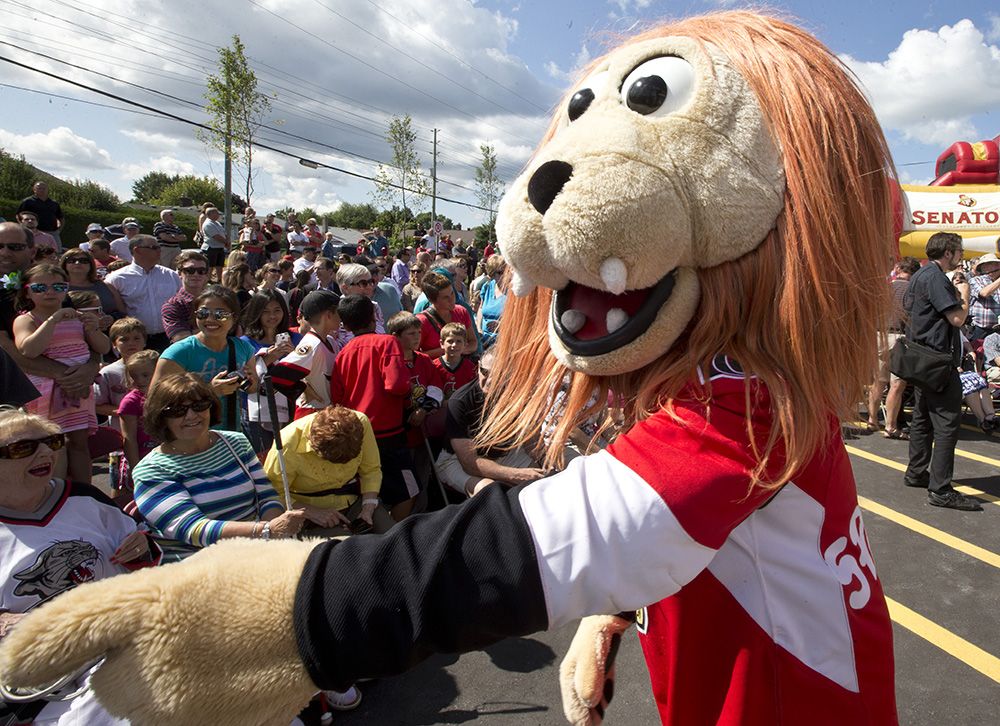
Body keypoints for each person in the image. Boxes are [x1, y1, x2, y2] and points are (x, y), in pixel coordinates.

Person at [0, 408, 157, 726]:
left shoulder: (84, 498)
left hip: (118, 642)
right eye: (23, 448)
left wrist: (141, 548)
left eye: (51, 442)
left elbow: (146, 564)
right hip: (40, 675)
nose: (45, 452)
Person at [132, 373, 331, 561]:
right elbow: (193, 529)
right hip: (195, 565)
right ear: (160, 417)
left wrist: (270, 539)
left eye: (200, 405)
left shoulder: (236, 442)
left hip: (256, 553)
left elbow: (267, 496)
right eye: (177, 411)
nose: (191, 415)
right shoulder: (150, 471)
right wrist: (267, 531)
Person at [902, 232, 982, 510]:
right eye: (958, 251)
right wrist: (965, 294)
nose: (961, 256)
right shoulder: (935, 279)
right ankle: (940, 489)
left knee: (923, 419)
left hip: (921, 358)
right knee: (947, 425)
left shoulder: (920, 275)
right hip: (937, 360)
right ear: (948, 252)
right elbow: (958, 318)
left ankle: (916, 472)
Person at [14, 264, 110, 483]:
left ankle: (85, 492)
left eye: (58, 286)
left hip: (78, 390)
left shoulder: (78, 318)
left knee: (79, 443)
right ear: (27, 291)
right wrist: (53, 320)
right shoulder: (26, 319)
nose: (49, 292)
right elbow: (28, 349)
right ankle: (54, 492)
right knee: (51, 444)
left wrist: (93, 329)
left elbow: (103, 348)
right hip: (45, 393)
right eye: (40, 287)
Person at [329, 295, 416, 521]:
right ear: (373, 316)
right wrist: (411, 393)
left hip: (356, 434)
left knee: (368, 490)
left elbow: (337, 397)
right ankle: (395, 533)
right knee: (406, 491)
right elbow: (396, 384)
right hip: (389, 433)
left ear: (345, 324)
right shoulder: (387, 342)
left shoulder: (343, 353)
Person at [264, 405, 393, 535]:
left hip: (354, 502)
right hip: (307, 513)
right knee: (345, 546)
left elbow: (371, 470)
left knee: (393, 537)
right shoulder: (286, 444)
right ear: (315, 445)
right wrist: (311, 512)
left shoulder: (361, 423)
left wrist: (368, 507)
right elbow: (271, 494)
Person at [434, 348, 546, 497]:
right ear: (478, 366)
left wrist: (546, 462)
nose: (490, 380)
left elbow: (531, 441)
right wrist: (516, 475)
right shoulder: (460, 401)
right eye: (485, 372)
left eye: (499, 374)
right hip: (456, 460)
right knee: (491, 492)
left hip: (502, 454)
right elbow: (469, 463)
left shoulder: (517, 395)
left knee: (545, 481)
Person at [152, 286, 256, 433]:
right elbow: (154, 402)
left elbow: (253, 388)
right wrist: (209, 392)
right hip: (188, 437)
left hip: (230, 436)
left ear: (235, 317)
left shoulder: (243, 348)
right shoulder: (179, 353)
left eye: (220, 314)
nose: (211, 319)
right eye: (203, 313)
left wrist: (249, 381)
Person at [239, 291, 299, 454]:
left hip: (290, 407)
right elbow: (243, 379)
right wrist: (268, 358)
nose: (272, 316)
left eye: (277, 310)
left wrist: (295, 356)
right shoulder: (245, 343)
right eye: (265, 311)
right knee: (264, 457)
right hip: (256, 412)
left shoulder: (296, 339)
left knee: (289, 456)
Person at [867, 256, 917, 438]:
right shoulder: (913, 290)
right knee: (896, 384)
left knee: (878, 382)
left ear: (898, 270)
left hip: (879, 334)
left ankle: (872, 420)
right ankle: (891, 426)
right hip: (900, 336)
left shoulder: (884, 288)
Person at [104, 234, 181, 352]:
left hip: (168, 338)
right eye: (154, 247)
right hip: (135, 343)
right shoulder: (116, 279)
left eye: (159, 247)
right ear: (137, 250)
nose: (159, 250)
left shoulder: (171, 275)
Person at [272, 290, 341, 419]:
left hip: (327, 412)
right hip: (311, 413)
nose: (341, 317)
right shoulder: (312, 345)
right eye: (339, 312)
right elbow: (277, 376)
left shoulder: (330, 341)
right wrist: (302, 389)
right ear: (328, 315)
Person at [117, 349, 159, 496]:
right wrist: (136, 469)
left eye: (145, 375)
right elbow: (129, 439)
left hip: (164, 460)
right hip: (141, 459)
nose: (139, 380)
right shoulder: (130, 402)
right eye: (134, 376)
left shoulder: (167, 396)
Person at [417, 271, 476, 359]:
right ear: (432, 300)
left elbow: (473, 342)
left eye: (452, 293)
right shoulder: (422, 321)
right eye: (445, 297)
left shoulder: (461, 311)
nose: (452, 299)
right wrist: (446, 350)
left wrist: (459, 350)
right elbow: (414, 355)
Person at [61, 249, 125, 323]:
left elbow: (122, 313)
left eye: (83, 261)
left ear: (91, 264)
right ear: (64, 264)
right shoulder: (58, 288)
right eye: (71, 260)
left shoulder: (106, 286)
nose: (77, 263)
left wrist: (111, 318)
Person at [161, 250, 210, 343]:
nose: (196, 274)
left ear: (206, 274)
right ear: (179, 274)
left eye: (201, 271)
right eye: (189, 270)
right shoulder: (172, 305)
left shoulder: (217, 299)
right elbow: (183, 341)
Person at [334, 263, 385, 343]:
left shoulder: (374, 306)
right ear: (346, 288)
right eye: (363, 283)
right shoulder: (336, 312)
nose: (369, 287)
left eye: (370, 281)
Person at [433, 322, 477, 399]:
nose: (454, 345)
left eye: (459, 341)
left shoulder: (470, 368)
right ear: (442, 343)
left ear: (465, 344)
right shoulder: (433, 366)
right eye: (450, 341)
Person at [16, 182, 63, 250]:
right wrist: (22, 226)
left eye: (44, 188)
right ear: (34, 189)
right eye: (39, 188)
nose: (42, 190)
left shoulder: (54, 203)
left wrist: (59, 230)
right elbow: (19, 215)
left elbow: (61, 217)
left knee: (56, 251)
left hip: (52, 232)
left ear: (47, 190)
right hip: (33, 232)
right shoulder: (27, 201)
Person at [966, 252, 1000, 343]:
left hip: (998, 330)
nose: (986, 267)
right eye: (985, 265)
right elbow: (984, 293)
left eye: (992, 264)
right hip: (980, 329)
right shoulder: (976, 280)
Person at [476, 254, 507, 349]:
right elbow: (481, 308)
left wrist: (502, 326)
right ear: (492, 274)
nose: (505, 274)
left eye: (507, 270)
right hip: (484, 339)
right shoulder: (487, 286)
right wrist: (479, 329)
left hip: (503, 340)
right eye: (500, 272)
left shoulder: (514, 291)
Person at [200, 207, 229, 283]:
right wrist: (226, 242)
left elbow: (224, 233)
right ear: (210, 214)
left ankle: (219, 279)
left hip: (220, 247)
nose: (218, 215)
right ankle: (208, 280)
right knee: (210, 265)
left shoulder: (217, 223)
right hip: (211, 248)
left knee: (219, 265)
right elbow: (216, 236)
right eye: (216, 213)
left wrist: (227, 241)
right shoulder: (207, 224)